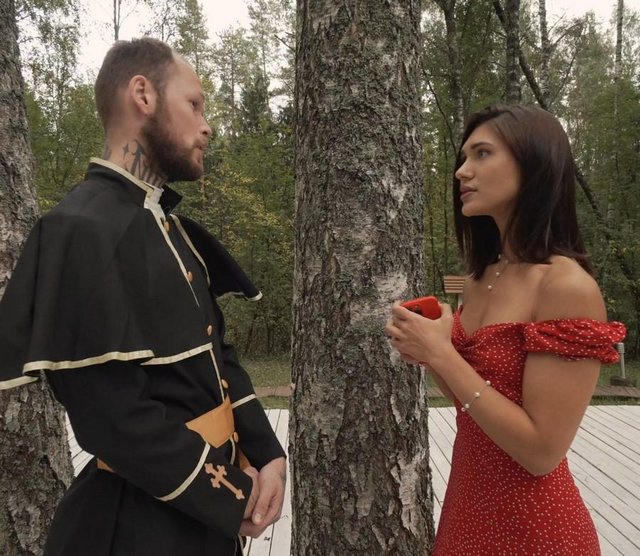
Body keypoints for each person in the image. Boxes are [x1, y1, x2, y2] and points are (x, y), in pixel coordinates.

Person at [0, 37, 286, 555]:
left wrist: (267, 454)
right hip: (137, 529)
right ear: (143, 95)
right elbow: (111, 417)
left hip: (200, 525)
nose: (207, 126)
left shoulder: (169, 227)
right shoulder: (78, 231)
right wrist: (227, 493)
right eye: (194, 104)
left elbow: (218, 356)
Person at [386, 104, 625, 555]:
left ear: (534, 164)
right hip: (467, 513)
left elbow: (541, 453)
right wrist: (428, 351)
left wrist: (442, 355)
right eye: (464, 157)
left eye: (482, 154)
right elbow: (471, 401)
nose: (462, 171)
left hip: (536, 529)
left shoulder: (566, 286)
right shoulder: (481, 277)